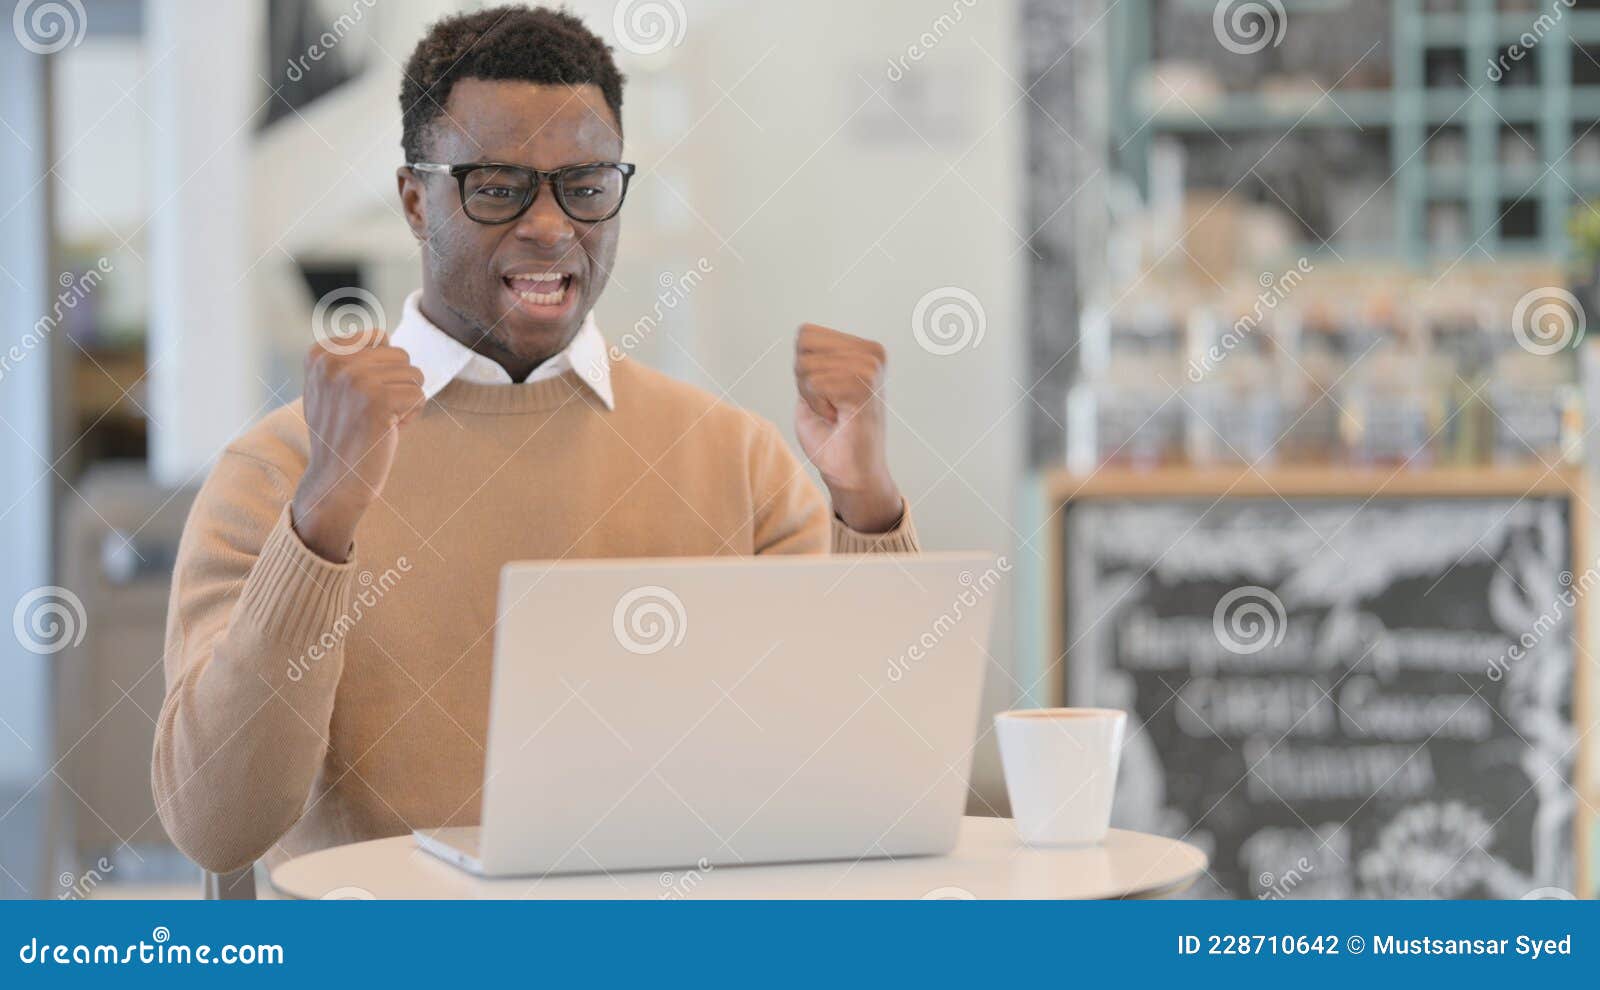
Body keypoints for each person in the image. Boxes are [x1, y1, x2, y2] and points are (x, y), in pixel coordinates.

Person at [151, 5, 918, 877]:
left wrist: (867, 508)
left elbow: (872, 782)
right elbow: (218, 828)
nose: (551, 227)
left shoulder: (737, 460)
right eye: (497, 186)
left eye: (584, 186)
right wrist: (322, 520)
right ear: (415, 201)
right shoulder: (276, 471)